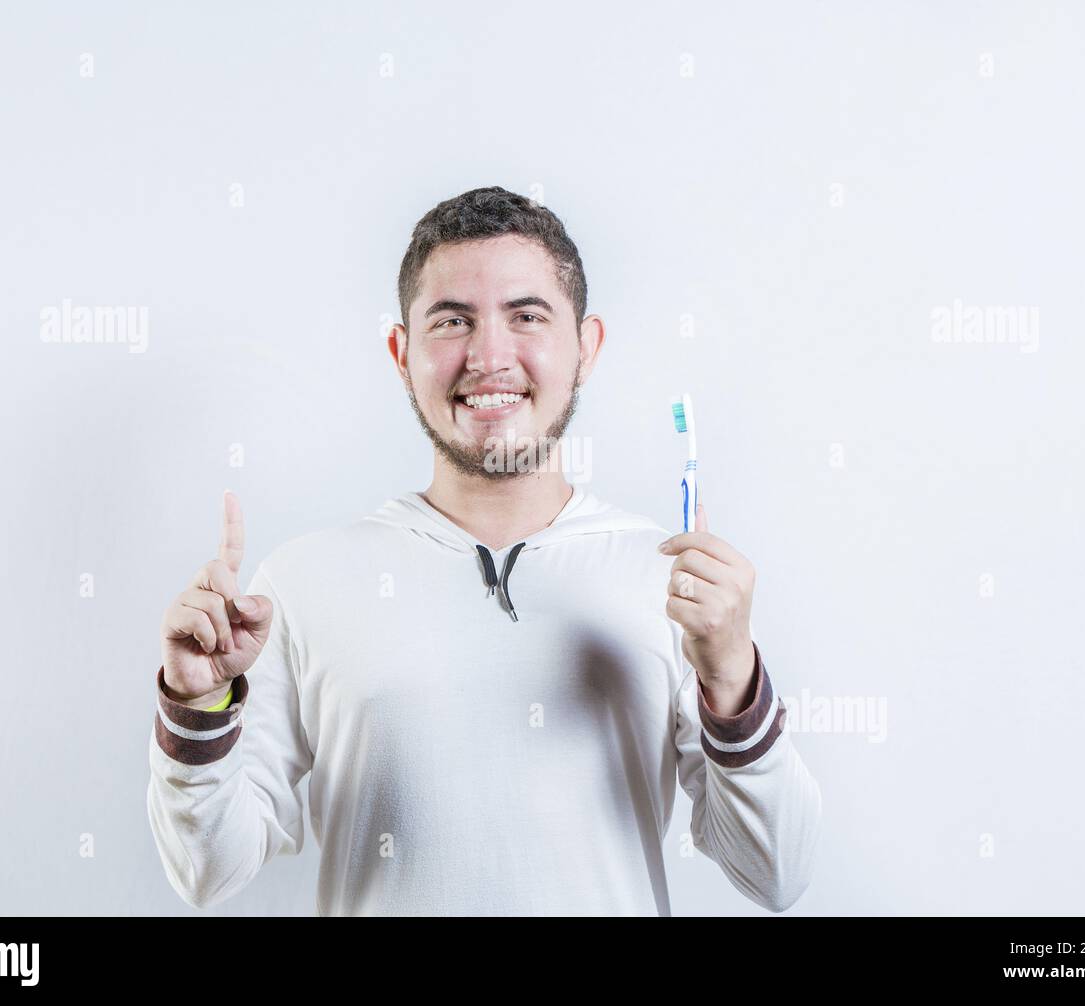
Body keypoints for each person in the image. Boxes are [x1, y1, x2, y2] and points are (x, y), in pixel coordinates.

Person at [147, 186, 823, 915]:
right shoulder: (301, 585)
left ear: (586, 347)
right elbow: (206, 873)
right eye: (452, 321)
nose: (489, 355)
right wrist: (199, 702)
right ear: (401, 354)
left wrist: (732, 676)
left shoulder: (673, 587)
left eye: (527, 316)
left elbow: (778, 874)